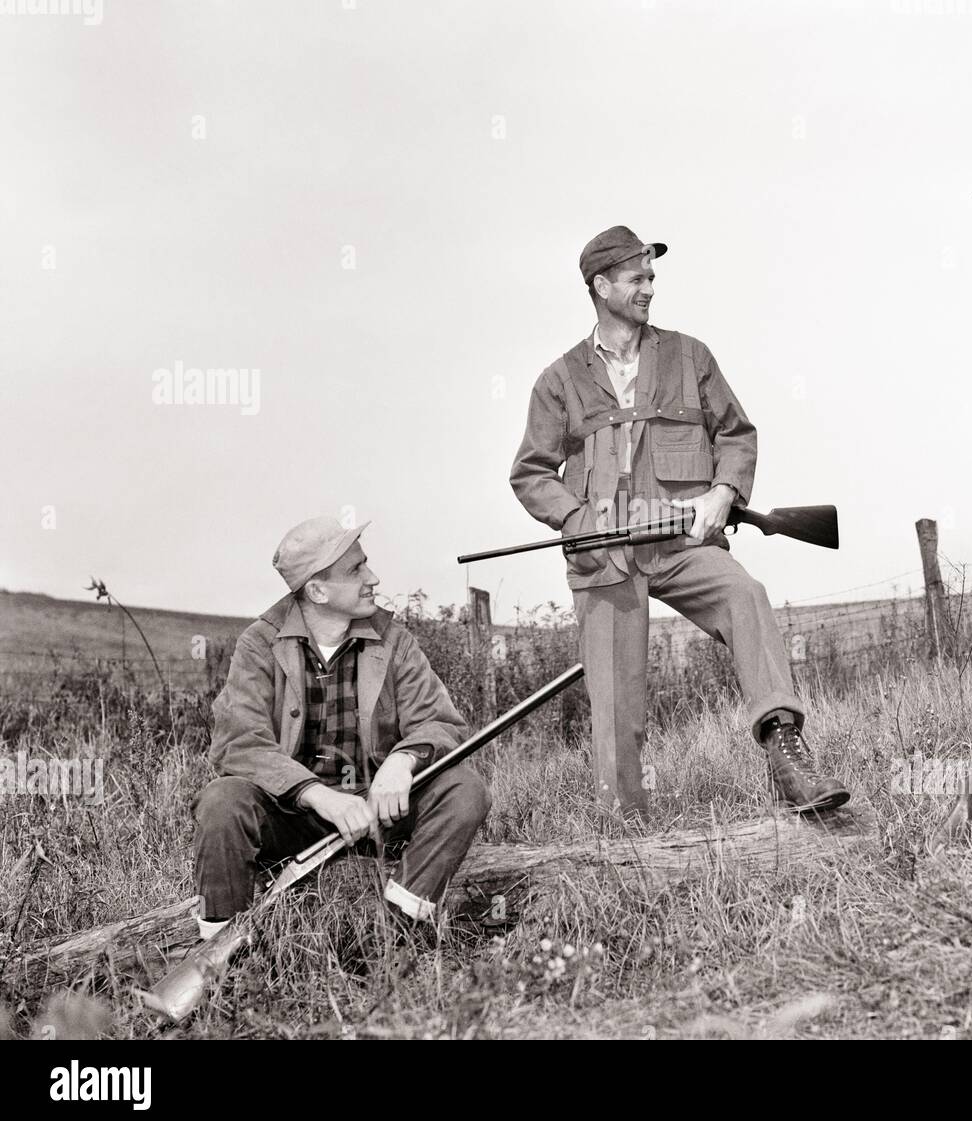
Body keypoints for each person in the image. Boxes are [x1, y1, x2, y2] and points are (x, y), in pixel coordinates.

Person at [510, 225, 849, 821]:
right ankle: (628, 832)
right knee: (615, 708)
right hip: (606, 554)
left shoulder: (690, 356)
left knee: (746, 594)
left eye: (651, 278)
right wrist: (574, 517)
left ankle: (787, 753)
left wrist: (724, 490)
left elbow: (737, 434)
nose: (648, 289)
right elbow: (531, 473)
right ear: (601, 285)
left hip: (681, 542)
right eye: (637, 278)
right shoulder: (559, 380)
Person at [191, 516, 490, 937]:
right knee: (222, 801)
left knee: (464, 789)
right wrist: (317, 796)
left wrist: (402, 762)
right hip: (294, 815)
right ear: (317, 590)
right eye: (356, 570)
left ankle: (398, 930)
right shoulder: (259, 643)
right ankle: (221, 955)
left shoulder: (394, 640)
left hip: (381, 812)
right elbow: (239, 743)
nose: (373, 577)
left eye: (365, 564)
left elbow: (439, 721)